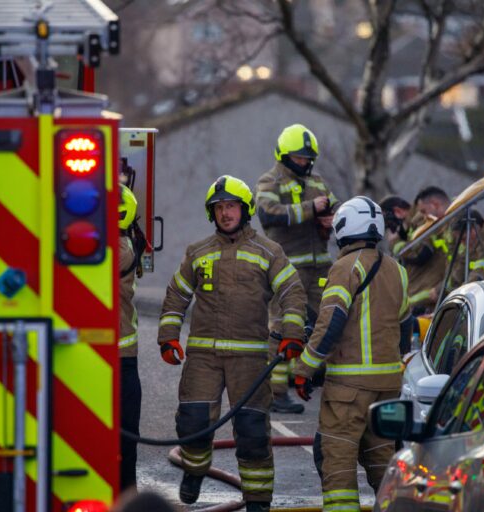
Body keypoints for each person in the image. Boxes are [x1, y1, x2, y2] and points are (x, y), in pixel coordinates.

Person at [157, 175, 307, 511]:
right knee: (193, 423)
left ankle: (258, 500)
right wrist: (167, 337)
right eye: (219, 208)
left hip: (249, 360)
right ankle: (194, 470)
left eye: (231, 206)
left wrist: (293, 333)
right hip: (203, 357)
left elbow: (292, 292)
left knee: (253, 432)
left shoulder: (269, 252)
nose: (225, 213)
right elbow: (177, 295)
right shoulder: (197, 252)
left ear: (246, 209)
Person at [292, 196, 410, 511]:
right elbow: (404, 325)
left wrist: (304, 370)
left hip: (349, 389)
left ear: (344, 228)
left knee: (337, 464)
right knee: (382, 462)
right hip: (389, 386)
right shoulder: (397, 270)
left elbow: (330, 324)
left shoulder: (345, 267)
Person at [255, 123, 339, 414]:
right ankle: (275, 394)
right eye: (299, 157)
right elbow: (269, 214)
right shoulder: (270, 181)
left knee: (330, 322)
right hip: (287, 267)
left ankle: (324, 381)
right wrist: (310, 209)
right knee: (282, 327)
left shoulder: (318, 182)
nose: (304, 162)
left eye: (307, 158)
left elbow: (337, 208)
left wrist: (333, 218)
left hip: (321, 268)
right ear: (284, 155)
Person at [381, 195, 448, 315]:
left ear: (398, 211)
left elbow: (421, 254)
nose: (391, 231)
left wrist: (395, 243)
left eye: (390, 224)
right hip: (420, 299)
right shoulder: (410, 227)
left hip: (429, 298)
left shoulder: (421, 219)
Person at [118, 184, 144, 492]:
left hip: (121, 358)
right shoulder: (127, 243)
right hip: (121, 357)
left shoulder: (121, 248)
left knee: (125, 437)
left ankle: (127, 494)